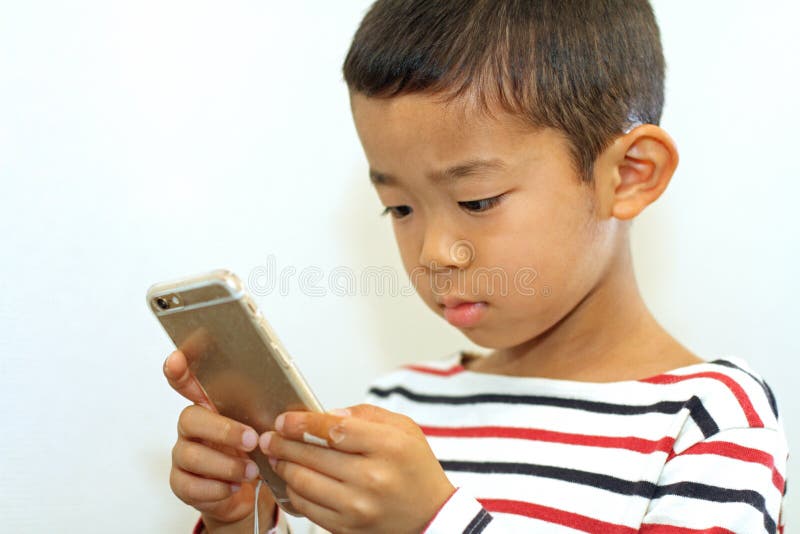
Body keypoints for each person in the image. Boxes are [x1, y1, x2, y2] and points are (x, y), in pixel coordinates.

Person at [163, 1, 788, 532]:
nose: (434, 252)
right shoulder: (398, 406)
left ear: (628, 175)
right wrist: (238, 518)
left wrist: (436, 521)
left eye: (477, 201)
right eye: (400, 208)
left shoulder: (706, 418)